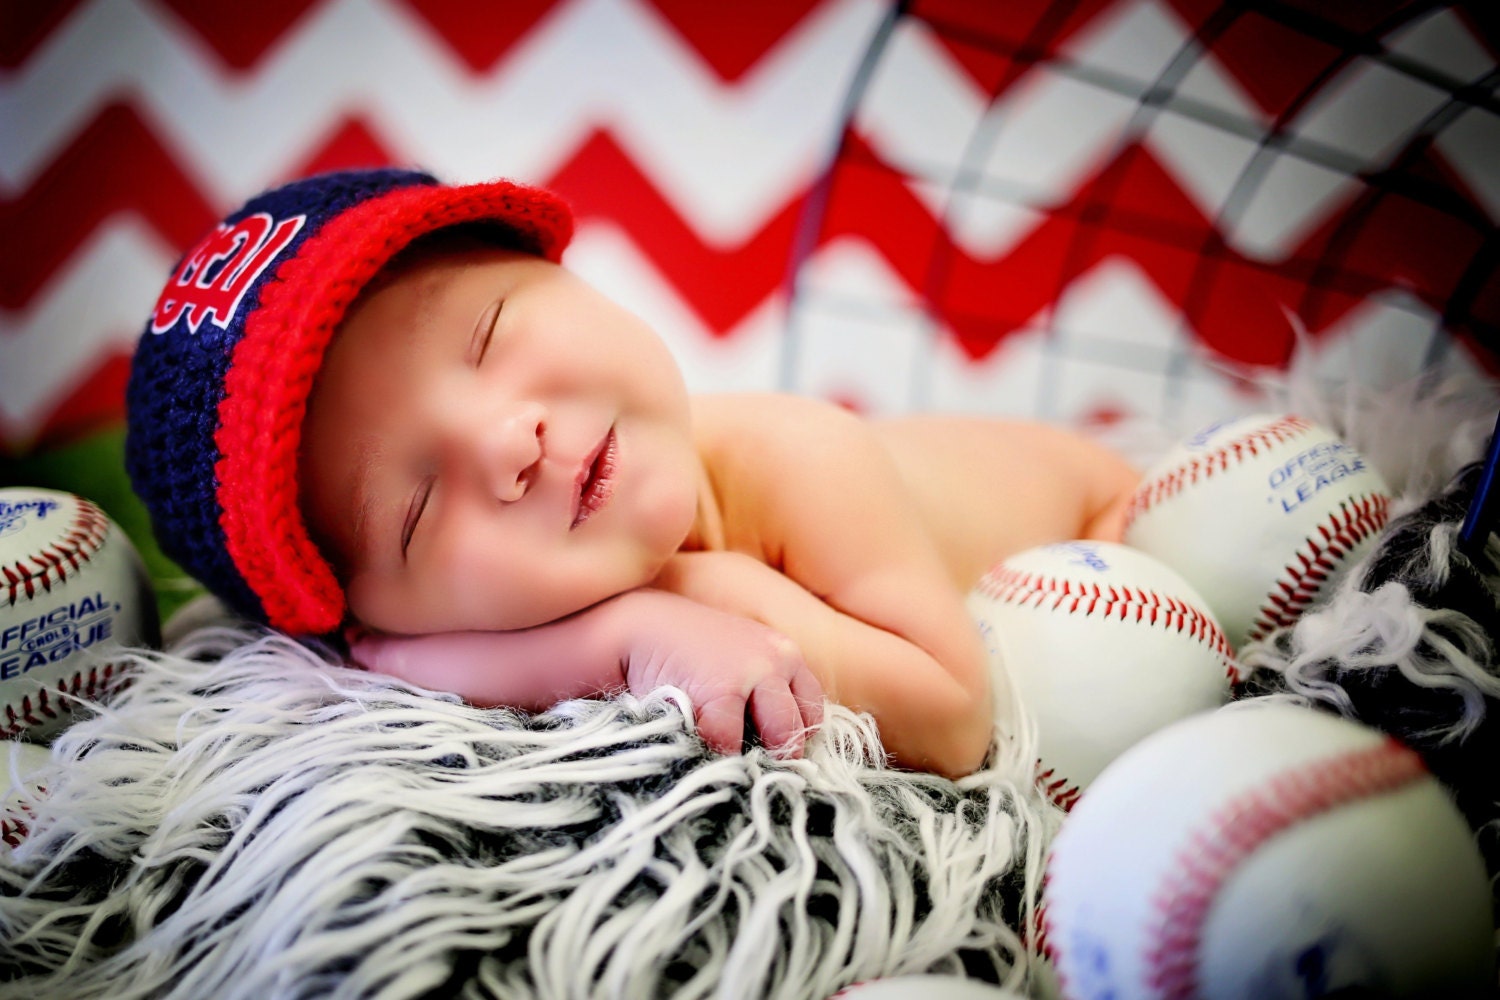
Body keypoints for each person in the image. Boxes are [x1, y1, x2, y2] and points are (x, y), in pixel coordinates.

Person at [126, 168, 1139, 778]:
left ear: (556, 270)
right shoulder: (403, 636)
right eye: (417, 505)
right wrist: (627, 638)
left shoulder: (800, 455)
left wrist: (711, 593)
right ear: (383, 614)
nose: (509, 441)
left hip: (1116, 519)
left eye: (487, 336)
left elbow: (955, 720)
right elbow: (384, 665)